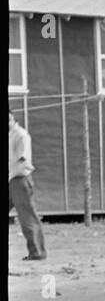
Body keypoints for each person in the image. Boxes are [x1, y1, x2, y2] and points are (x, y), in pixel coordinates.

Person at [9, 108, 47, 261]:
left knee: (27, 217)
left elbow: (22, 160)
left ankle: (37, 252)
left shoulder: (20, 135)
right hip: (10, 179)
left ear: (12, 118)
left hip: (19, 179)